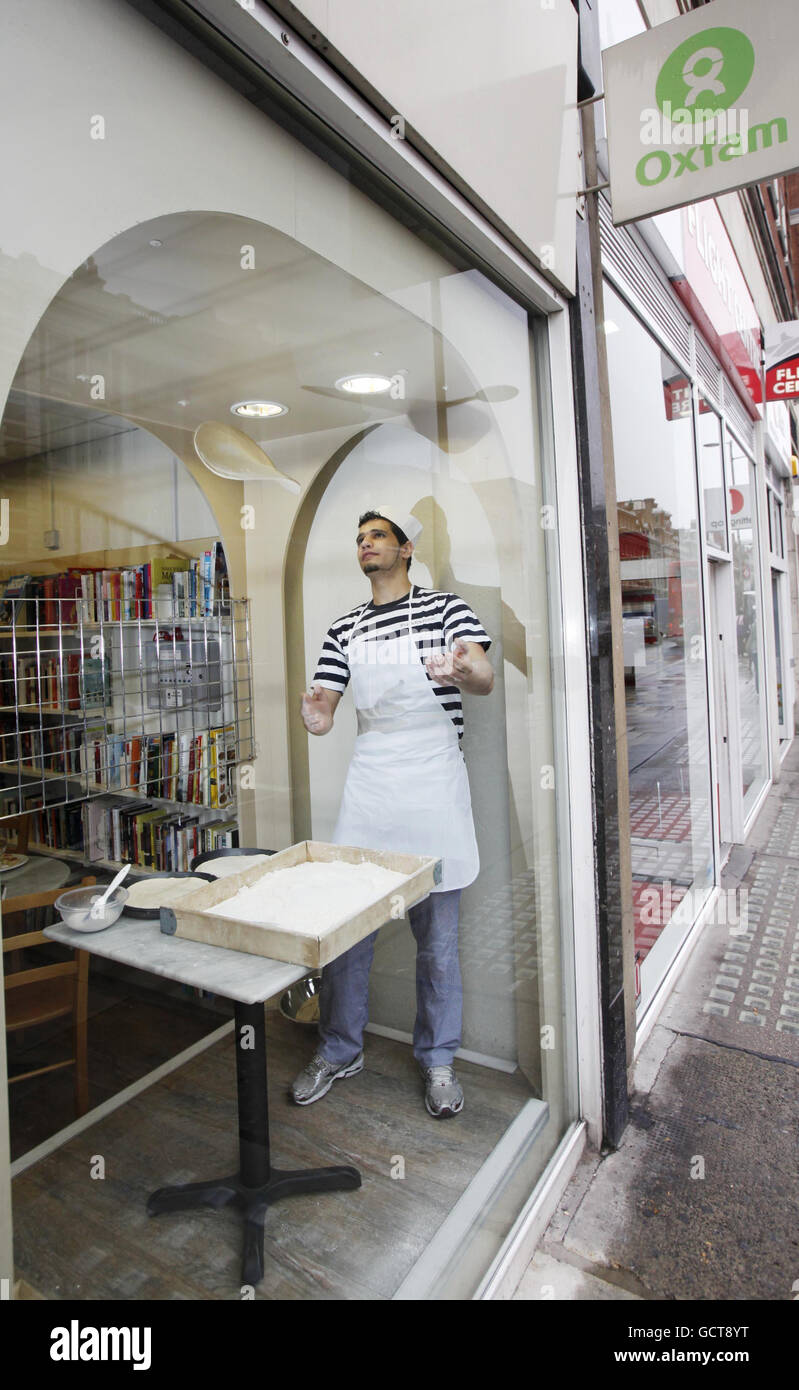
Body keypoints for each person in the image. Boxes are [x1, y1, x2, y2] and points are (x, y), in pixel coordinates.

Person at [292, 507, 494, 1118]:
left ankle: (438, 1060)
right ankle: (339, 1047)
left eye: (377, 536)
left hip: (433, 781)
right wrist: (316, 716)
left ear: (406, 549)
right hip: (373, 785)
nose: (366, 545)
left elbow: (482, 675)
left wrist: (466, 668)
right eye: (359, 539)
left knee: (437, 941)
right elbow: (324, 706)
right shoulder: (344, 628)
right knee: (351, 932)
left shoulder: (446, 609)